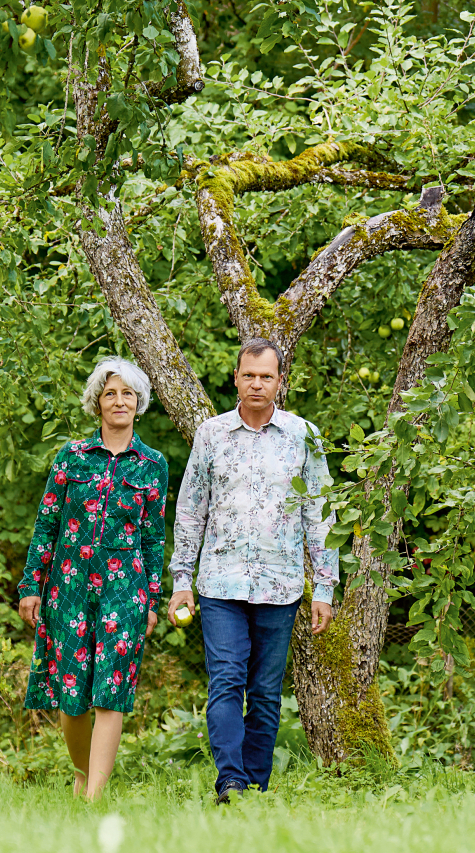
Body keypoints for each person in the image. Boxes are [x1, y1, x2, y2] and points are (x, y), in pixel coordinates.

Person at [168, 337, 338, 802]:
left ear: (280, 381)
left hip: (280, 586)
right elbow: (190, 511)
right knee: (226, 680)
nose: (257, 383)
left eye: (267, 376)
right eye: (249, 375)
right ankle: (231, 781)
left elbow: (320, 513)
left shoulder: (304, 436)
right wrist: (181, 581)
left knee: (264, 693)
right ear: (236, 378)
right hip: (220, 582)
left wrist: (324, 587)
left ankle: (256, 788)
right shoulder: (211, 435)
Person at [17, 357, 167, 800]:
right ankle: (83, 773)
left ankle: (93, 798)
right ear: (97, 403)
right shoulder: (71, 456)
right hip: (69, 586)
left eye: (127, 394)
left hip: (127, 592)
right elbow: (46, 523)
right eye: (110, 393)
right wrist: (30, 585)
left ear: (138, 403)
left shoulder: (153, 464)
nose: (119, 401)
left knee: (110, 690)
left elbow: (154, 538)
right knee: (71, 694)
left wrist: (152, 599)